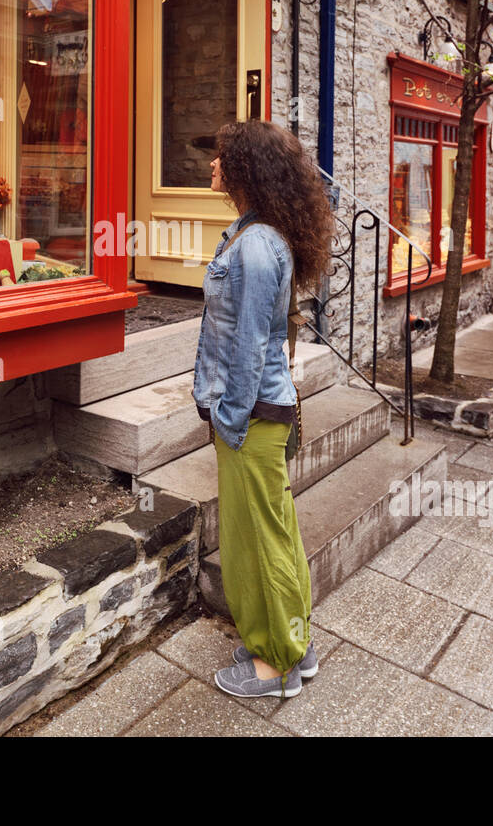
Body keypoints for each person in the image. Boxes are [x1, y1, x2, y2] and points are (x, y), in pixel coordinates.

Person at [193, 119, 332, 700]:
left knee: (257, 539)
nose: (213, 166)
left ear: (247, 169)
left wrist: (226, 419)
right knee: (273, 530)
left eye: (222, 159)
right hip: (262, 412)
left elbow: (249, 347)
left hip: (251, 416)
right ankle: (294, 643)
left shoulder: (253, 247)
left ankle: (276, 667)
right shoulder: (259, 233)